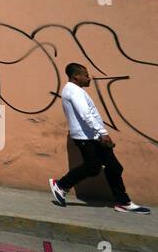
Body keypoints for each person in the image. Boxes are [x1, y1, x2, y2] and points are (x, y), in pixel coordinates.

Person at [50, 63, 150, 213]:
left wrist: (100, 133)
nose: (88, 78)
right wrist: (102, 132)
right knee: (93, 167)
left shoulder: (74, 90)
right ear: (76, 76)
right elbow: (85, 114)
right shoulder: (74, 91)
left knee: (113, 167)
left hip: (92, 135)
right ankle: (62, 184)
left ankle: (123, 202)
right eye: (85, 75)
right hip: (87, 136)